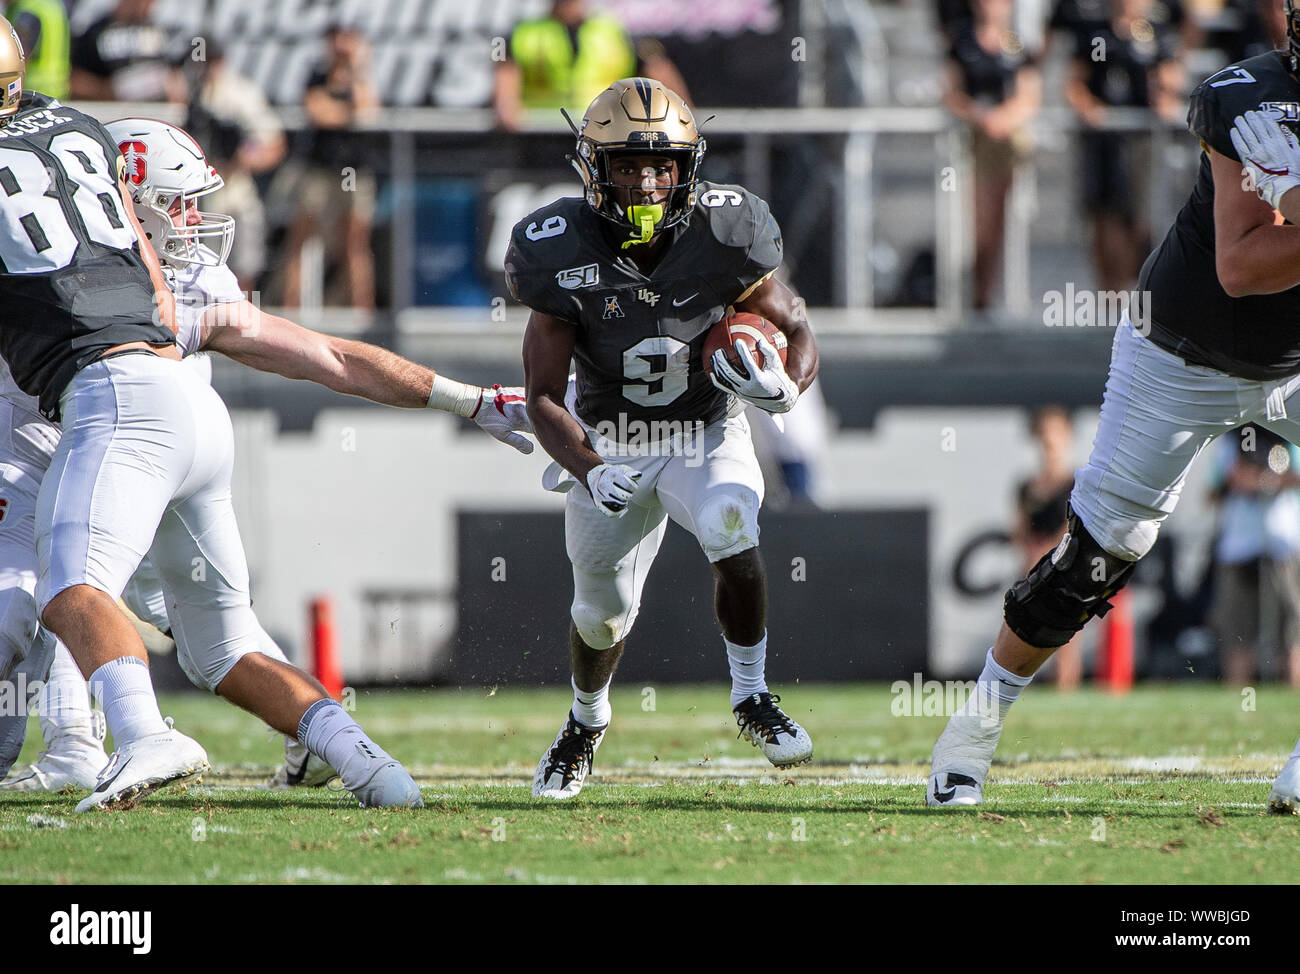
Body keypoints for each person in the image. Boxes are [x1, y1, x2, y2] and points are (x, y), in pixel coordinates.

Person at [0, 116, 534, 794]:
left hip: (112, 437)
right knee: (218, 642)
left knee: (65, 590)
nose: (197, 220)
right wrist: (471, 401)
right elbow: (331, 358)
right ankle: (371, 769)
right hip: (155, 440)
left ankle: (129, 738)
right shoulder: (100, 267)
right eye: (179, 204)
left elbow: (331, 356)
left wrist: (467, 399)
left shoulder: (91, 273)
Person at [924, 7, 1300, 815]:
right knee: (1095, 560)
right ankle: (973, 730)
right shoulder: (1248, 98)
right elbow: (1242, 266)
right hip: (1182, 353)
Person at [509, 78, 818, 799]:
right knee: (600, 613)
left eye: (663, 166)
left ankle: (752, 695)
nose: (648, 182)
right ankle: (586, 723)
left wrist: (788, 387)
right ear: (594, 167)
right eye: (628, 165)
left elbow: (797, 327)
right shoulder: (555, 247)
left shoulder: (726, 229)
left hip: (704, 429)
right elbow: (543, 397)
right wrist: (587, 467)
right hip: (609, 438)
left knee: (731, 524)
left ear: (689, 166)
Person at [1065, 0, 1183, 292]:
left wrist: (1164, 98)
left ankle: (1135, 286)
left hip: (1142, 139)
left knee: (1140, 215)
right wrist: (1091, 109)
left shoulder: (1155, 34)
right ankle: (1110, 289)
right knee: (1106, 214)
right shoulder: (1096, 35)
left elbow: (1169, 79)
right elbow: (1075, 82)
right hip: (1104, 140)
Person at [943, 0, 1041, 309]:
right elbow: (951, 92)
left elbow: (1029, 95)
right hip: (970, 141)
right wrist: (979, 115)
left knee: (999, 218)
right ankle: (976, 295)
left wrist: (1004, 118)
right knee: (976, 222)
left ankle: (994, 294)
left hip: (1004, 143)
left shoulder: (1017, 44)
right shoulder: (962, 41)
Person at [280, 25, 378, 310]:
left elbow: (367, 110)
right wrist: (345, 114)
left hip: (355, 171)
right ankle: (291, 310)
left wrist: (356, 69)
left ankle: (362, 314)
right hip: (319, 169)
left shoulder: (361, 78)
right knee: (300, 240)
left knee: (355, 246)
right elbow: (318, 113)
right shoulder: (317, 75)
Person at [179, 40, 286, 292]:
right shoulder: (185, 94)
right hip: (197, 195)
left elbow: (274, 145)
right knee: (197, 270)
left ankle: (243, 327)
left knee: (244, 271)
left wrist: (241, 156)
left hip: (236, 191)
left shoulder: (240, 94)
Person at [493, 0, 690, 132]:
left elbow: (656, 65)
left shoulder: (613, 30)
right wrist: (506, 105)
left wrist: (681, 115)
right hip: (543, 134)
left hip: (605, 133)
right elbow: (505, 71)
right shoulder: (525, 32)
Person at [1206, 424, 1300, 687]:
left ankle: (1291, 691)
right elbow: (1212, 491)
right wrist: (1238, 482)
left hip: (1281, 544)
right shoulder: (1229, 442)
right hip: (1239, 546)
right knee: (1237, 630)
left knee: (1290, 629)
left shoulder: (1288, 435)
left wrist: (1267, 481)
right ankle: (1239, 693)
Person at [1013, 406, 1081, 689]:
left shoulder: (1075, 483)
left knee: (1065, 633)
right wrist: (1029, 551)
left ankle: (1065, 686)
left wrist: (1051, 550)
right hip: (1033, 565)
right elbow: (1018, 527)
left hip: (1063, 565)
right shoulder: (1028, 486)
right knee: (1024, 630)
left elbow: (1075, 527)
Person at [69, 0, 182, 102]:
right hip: (111, 114)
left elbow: (176, 79)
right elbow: (73, 81)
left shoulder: (158, 31)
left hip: (155, 115)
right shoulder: (96, 32)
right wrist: (110, 91)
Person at [5, 0, 68, 99]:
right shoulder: (50, 5)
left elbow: (17, 58)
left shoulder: (28, 10)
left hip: (31, 95)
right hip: (56, 93)